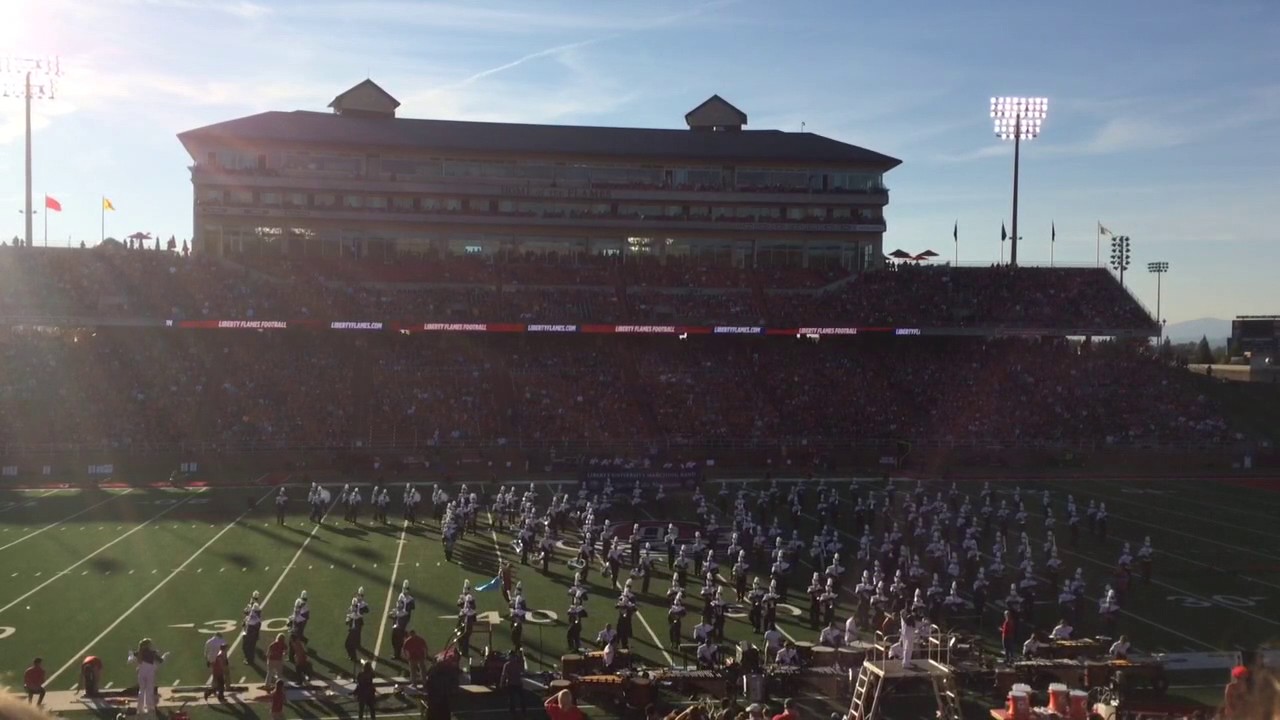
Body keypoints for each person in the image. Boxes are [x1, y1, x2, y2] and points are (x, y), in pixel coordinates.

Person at [128, 638, 168, 716]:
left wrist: (130, 655)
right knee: (149, 690)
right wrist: (165, 655)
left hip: (141, 673)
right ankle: (150, 708)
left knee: (141, 690)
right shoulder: (152, 653)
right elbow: (161, 661)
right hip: (149, 673)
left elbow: (130, 660)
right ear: (148, 645)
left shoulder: (138, 653)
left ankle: (140, 709)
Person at [501, 650, 527, 716]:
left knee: (512, 698)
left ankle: (513, 712)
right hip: (517, 683)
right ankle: (523, 711)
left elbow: (504, 675)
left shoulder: (507, 665)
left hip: (511, 683)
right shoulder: (518, 663)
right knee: (520, 698)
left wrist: (501, 683)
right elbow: (522, 671)